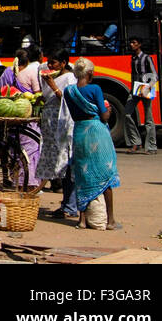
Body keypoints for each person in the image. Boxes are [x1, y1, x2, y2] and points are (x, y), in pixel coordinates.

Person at [64, 57, 122, 230]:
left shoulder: (68, 91)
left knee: (82, 175)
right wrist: (108, 111)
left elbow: (74, 114)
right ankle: (110, 220)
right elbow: (104, 116)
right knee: (106, 174)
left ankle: (81, 220)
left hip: (80, 132)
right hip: (97, 132)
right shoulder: (95, 88)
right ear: (90, 73)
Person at [36, 49, 79, 220]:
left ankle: (70, 206)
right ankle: (67, 204)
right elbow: (50, 98)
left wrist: (53, 86)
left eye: (53, 62)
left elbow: (68, 100)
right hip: (51, 128)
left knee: (67, 166)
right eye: (49, 62)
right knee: (60, 167)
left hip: (63, 127)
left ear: (63, 63)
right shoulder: (51, 77)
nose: (50, 65)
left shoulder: (69, 78)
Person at [0, 47, 43, 186]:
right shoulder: (31, 72)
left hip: (10, 117)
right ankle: (30, 183)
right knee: (31, 150)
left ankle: (14, 179)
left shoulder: (7, 72)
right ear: (28, 60)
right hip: (26, 118)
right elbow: (38, 94)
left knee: (13, 150)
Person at [125, 36, 158, 154]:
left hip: (145, 89)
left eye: (133, 43)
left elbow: (154, 76)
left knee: (148, 118)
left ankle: (151, 147)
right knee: (127, 114)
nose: (131, 45)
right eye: (131, 43)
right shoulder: (133, 58)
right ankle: (135, 142)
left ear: (139, 45)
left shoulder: (146, 58)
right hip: (135, 89)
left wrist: (148, 87)